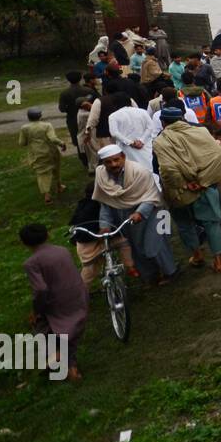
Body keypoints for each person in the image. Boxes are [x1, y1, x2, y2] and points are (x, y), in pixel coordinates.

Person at [154, 106, 221, 273]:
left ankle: (197, 255)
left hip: (179, 191)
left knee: (185, 224)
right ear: (182, 118)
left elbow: (167, 169)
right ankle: (218, 261)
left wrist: (185, 184)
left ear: (163, 122)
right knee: (211, 223)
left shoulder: (161, 140)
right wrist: (203, 181)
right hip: (204, 187)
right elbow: (217, 154)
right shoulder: (200, 132)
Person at [93, 145, 176, 285]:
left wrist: (139, 212)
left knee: (155, 244)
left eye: (116, 160)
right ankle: (150, 276)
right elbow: (106, 202)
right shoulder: (101, 176)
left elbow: (152, 195)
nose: (113, 164)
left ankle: (171, 272)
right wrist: (105, 225)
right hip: (125, 219)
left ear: (123, 157)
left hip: (153, 213)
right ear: (103, 163)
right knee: (137, 248)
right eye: (108, 162)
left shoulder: (139, 171)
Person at [20, 224, 89, 381]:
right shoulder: (62, 251)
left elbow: (40, 290)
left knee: (42, 327)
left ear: (24, 243)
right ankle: (71, 367)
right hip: (78, 295)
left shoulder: (31, 263)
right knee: (66, 331)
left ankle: (56, 357)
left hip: (58, 303)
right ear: (48, 235)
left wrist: (37, 310)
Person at [70, 180, 136, 290]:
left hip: (103, 238)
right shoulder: (92, 208)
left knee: (123, 242)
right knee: (90, 270)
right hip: (90, 244)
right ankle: (81, 292)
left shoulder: (86, 205)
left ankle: (129, 265)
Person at [18, 107, 66, 204]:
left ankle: (47, 195)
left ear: (28, 117)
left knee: (42, 173)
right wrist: (62, 143)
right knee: (56, 168)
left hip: (36, 153)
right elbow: (52, 138)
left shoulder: (24, 128)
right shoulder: (47, 125)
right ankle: (59, 186)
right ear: (40, 116)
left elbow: (22, 143)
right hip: (50, 151)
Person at [58, 71, 96, 169]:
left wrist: (70, 109)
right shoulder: (89, 90)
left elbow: (62, 109)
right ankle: (95, 157)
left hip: (73, 119)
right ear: (80, 79)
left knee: (78, 138)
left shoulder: (64, 93)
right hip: (90, 117)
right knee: (93, 136)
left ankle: (84, 159)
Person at [108, 98, 155, 173]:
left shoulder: (113, 116)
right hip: (144, 147)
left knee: (129, 171)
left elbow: (114, 133)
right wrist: (142, 140)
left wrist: (130, 142)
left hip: (126, 148)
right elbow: (150, 127)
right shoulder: (142, 111)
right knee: (147, 169)